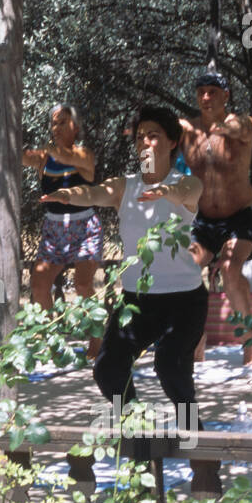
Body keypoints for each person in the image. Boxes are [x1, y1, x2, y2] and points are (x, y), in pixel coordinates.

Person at [43, 106, 206, 413]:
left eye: (154, 136)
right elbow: (92, 194)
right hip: (137, 300)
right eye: (140, 136)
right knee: (108, 371)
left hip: (184, 301)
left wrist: (163, 191)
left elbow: (185, 192)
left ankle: (194, 436)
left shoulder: (188, 183)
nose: (145, 142)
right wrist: (67, 195)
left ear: (172, 142)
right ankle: (137, 428)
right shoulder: (124, 186)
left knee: (171, 367)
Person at [179, 70, 252, 365]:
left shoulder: (242, 124)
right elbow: (152, 141)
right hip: (202, 221)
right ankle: (195, 338)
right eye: (201, 92)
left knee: (228, 270)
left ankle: (250, 344)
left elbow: (241, 129)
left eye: (213, 91)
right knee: (185, 271)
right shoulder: (188, 131)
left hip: (239, 216)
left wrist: (216, 127)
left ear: (226, 95)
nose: (206, 97)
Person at [22, 103, 103, 358]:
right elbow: (14, 154)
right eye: (54, 123)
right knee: (38, 284)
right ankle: (50, 343)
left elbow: (67, 157)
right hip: (53, 228)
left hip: (84, 226)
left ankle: (98, 342)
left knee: (82, 284)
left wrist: (47, 151)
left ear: (75, 128)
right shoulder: (44, 158)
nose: (56, 127)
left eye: (63, 122)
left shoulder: (84, 155)